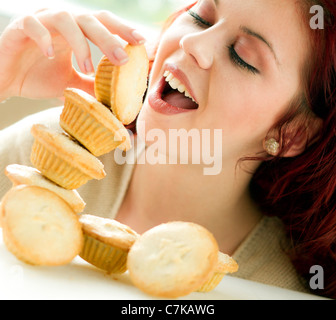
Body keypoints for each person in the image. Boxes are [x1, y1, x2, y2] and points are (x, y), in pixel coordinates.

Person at [0, 0, 335, 299]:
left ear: (291, 134)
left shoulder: (277, 289)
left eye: (241, 56)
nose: (192, 43)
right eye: (201, 17)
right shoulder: (46, 152)